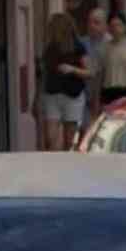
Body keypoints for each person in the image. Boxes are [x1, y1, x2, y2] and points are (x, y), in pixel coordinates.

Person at [37, 12, 89, 150]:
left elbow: (89, 72)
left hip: (73, 95)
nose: (49, 31)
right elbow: (44, 75)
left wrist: (72, 69)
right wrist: (37, 98)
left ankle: (68, 163)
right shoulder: (50, 48)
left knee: (69, 140)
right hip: (52, 94)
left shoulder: (78, 47)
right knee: (50, 137)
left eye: (52, 27)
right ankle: (53, 162)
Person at [81, 6, 111, 120]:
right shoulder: (81, 44)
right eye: (89, 22)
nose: (91, 26)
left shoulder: (111, 45)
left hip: (105, 102)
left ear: (105, 26)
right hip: (84, 101)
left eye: (96, 22)